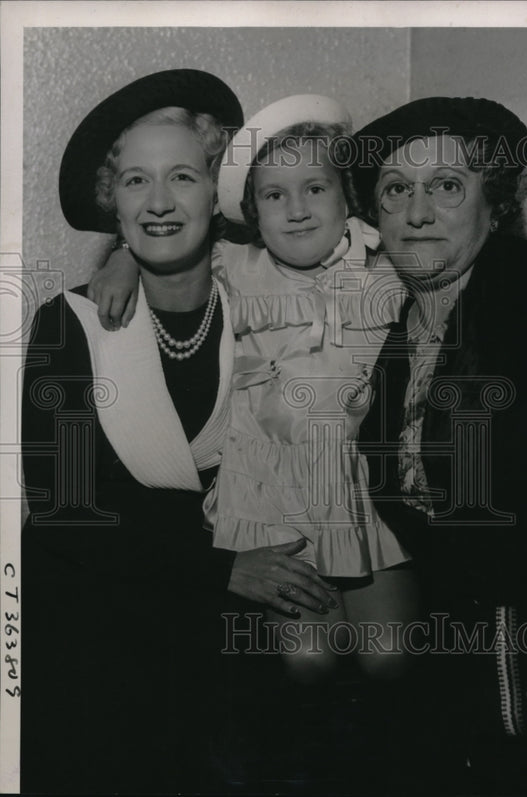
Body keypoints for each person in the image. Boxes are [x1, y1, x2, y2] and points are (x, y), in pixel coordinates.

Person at [21, 70, 339, 795]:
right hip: (102, 610)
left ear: (217, 192)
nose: (159, 202)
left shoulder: (268, 300)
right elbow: (64, 509)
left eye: (183, 177)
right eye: (136, 180)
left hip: (232, 610)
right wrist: (223, 566)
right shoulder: (65, 324)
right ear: (114, 201)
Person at [87, 94, 421, 685]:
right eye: (274, 195)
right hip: (268, 501)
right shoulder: (235, 266)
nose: (295, 209)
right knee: (309, 662)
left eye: (315, 188)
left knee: (391, 657)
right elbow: (162, 234)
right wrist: (120, 261)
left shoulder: (386, 269)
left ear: (348, 196)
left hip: (355, 492)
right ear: (251, 213)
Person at [355, 96, 527, 794]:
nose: (417, 213)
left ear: (497, 206)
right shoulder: (388, 327)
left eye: (446, 187)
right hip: (443, 645)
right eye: (397, 190)